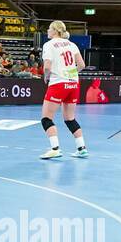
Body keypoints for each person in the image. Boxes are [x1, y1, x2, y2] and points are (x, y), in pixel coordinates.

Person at [39, 20, 88, 159]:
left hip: (58, 84)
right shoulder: (72, 44)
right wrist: (70, 73)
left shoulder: (49, 45)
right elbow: (82, 65)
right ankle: (81, 148)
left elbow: (47, 66)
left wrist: (46, 76)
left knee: (46, 118)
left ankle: (55, 148)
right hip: (73, 84)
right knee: (69, 118)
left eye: (49, 28)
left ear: (55, 31)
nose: (47, 31)